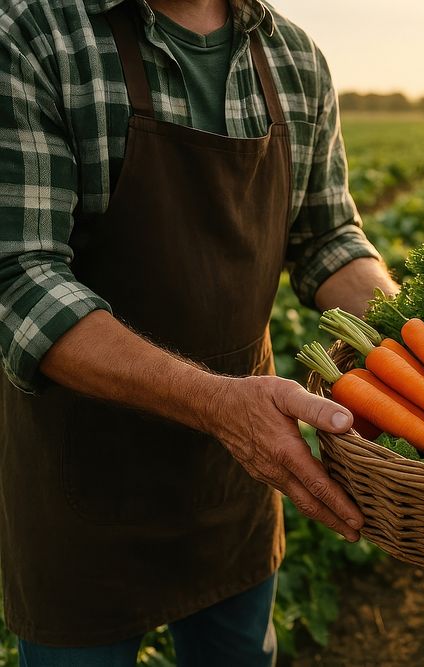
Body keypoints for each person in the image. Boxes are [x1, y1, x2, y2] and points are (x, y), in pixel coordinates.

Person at [0, 0, 395, 663]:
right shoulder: (38, 33)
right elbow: (20, 276)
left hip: (235, 476)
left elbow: (328, 236)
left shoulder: (293, 57)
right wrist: (218, 403)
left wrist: (409, 337)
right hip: (82, 488)